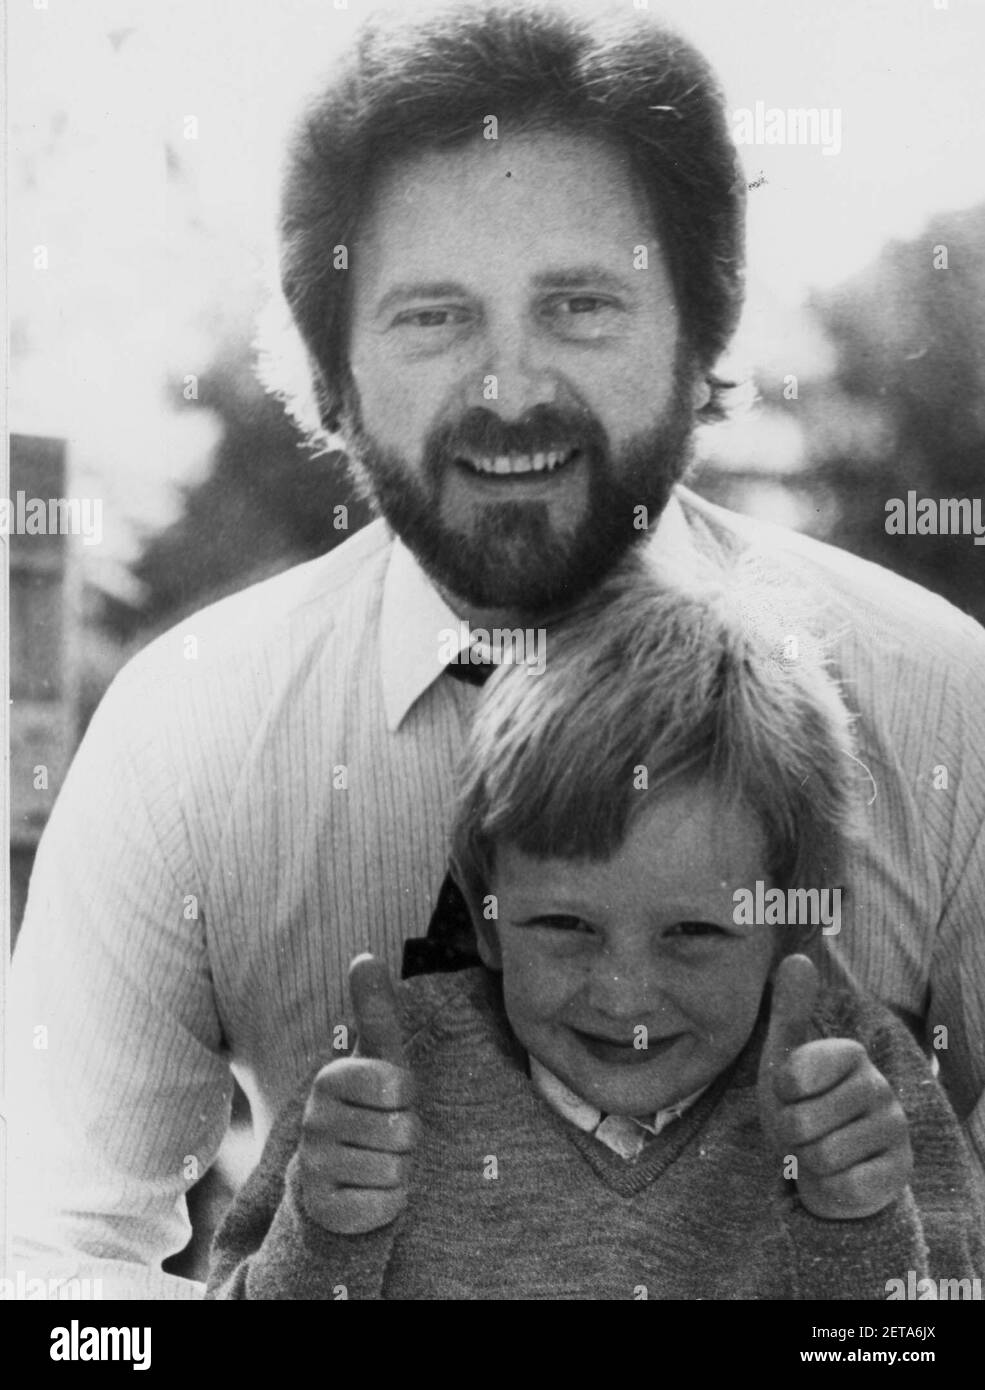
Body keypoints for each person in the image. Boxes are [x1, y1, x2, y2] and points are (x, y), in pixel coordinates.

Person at [10, 3, 985, 1300]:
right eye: (432, 316)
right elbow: (51, 1254)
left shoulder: (944, 703)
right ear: (332, 370)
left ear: (700, 335)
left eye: (582, 302)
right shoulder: (186, 733)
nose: (511, 386)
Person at [205, 556, 984, 1300]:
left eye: (691, 934)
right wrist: (327, 1235)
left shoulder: (860, 1091)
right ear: (486, 917)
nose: (623, 997)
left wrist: (856, 1226)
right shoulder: (383, 1083)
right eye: (566, 925)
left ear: (789, 931)